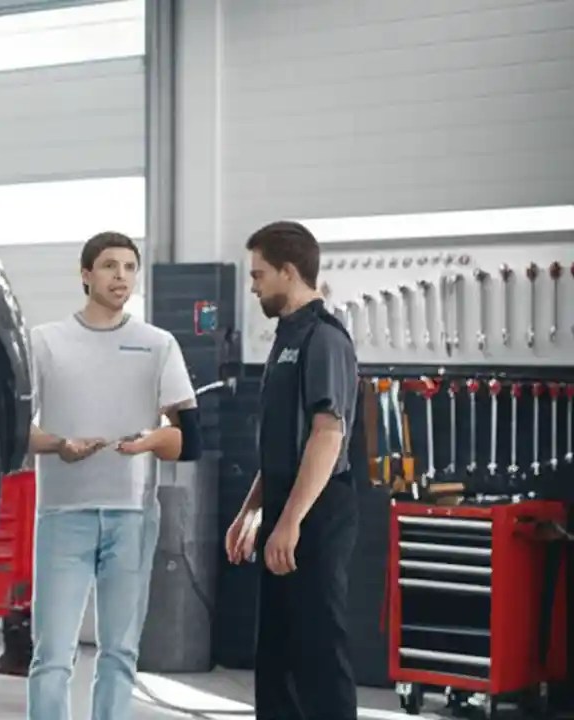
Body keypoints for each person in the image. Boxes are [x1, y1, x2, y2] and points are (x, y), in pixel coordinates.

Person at [26, 231, 201, 720]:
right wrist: (60, 444)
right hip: (62, 515)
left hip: (133, 517)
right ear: (85, 274)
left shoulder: (157, 344)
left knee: (120, 654)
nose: (120, 276)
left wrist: (146, 441)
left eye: (128, 266)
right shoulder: (45, 342)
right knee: (52, 656)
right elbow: (15, 429)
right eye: (108, 266)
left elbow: (183, 437)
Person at [225, 220, 361, 720]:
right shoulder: (285, 339)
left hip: (319, 513)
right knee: (277, 652)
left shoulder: (324, 340)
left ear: (288, 271)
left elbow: (327, 436)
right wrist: (251, 510)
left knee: (319, 652)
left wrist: (291, 521)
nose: (254, 284)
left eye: (259, 273)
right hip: (285, 506)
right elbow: (284, 443)